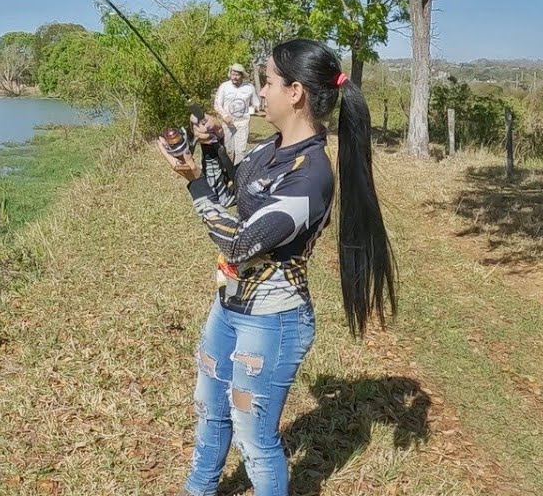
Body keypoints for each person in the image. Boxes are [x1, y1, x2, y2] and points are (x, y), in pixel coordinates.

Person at [159, 39, 397, 496]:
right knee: (210, 410)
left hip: (273, 319)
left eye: (267, 82)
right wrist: (210, 150)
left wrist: (192, 183)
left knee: (254, 437)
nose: (260, 91)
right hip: (228, 306)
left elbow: (240, 243)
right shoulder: (268, 149)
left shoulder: (311, 176)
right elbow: (230, 198)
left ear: (295, 92)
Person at [213, 63, 262, 162]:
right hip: (228, 124)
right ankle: (228, 170)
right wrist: (224, 116)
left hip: (243, 123)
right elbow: (217, 104)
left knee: (241, 151)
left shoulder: (249, 87)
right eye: (233, 74)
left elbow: (256, 103)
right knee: (228, 151)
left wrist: (256, 107)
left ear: (242, 75)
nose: (234, 77)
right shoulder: (224, 86)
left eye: (237, 75)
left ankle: (238, 170)